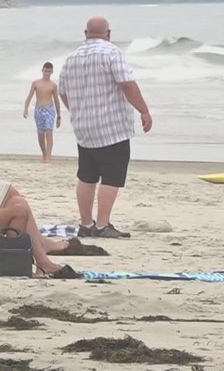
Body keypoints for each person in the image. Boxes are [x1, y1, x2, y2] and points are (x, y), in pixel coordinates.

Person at [58, 16, 153, 239]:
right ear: (108, 34)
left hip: (84, 127)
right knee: (112, 176)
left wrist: (76, 110)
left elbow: (62, 90)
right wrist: (144, 110)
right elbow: (127, 83)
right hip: (112, 126)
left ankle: (85, 223)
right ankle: (102, 225)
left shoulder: (72, 57)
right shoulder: (111, 52)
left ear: (85, 33)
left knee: (86, 175)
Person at [23, 62, 62, 163]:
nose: (47, 73)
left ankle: (48, 157)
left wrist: (59, 116)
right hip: (39, 110)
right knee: (41, 134)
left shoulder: (53, 85)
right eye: (45, 71)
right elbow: (29, 96)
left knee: (49, 132)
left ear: (52, 72)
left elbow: (56, 101)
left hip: (49, 109)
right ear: (42, 70)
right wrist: (26, 108)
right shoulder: (36, 83)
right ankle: (44, 154)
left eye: (49, 71)